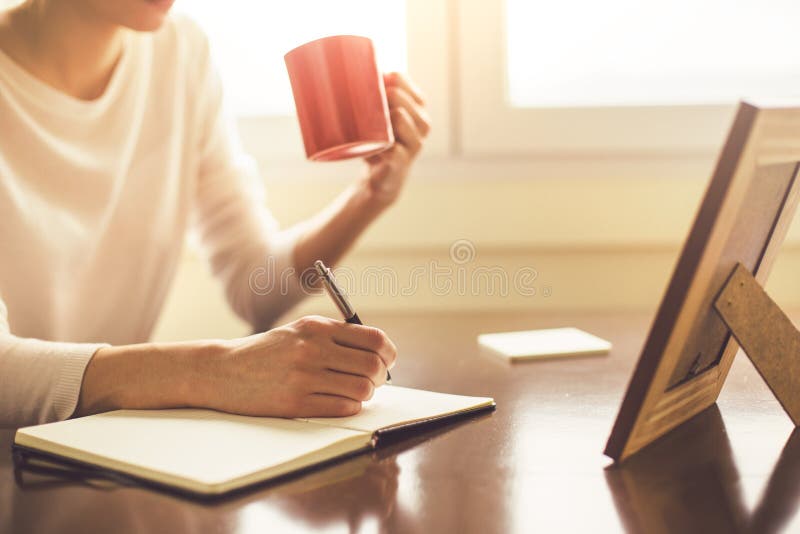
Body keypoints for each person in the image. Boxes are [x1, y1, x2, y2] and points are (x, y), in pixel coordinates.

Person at [0, 0, 430, 427]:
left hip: (102, 450)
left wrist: (370, 195)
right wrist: (218, 370)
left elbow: (254, 285)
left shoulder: (180, 51)